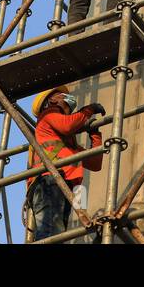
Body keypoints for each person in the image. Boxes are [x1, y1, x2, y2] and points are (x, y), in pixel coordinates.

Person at [26, 85, 106, 241]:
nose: (68, 99)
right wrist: (88, 110)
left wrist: (95, 136)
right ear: (53, 100)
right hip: (49, 181)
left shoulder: (69, 147)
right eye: (63, 96)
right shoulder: (47, 115)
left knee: (58, 234)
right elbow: (68, 125)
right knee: (51, 233)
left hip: (65, 185)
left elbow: (96, 164)